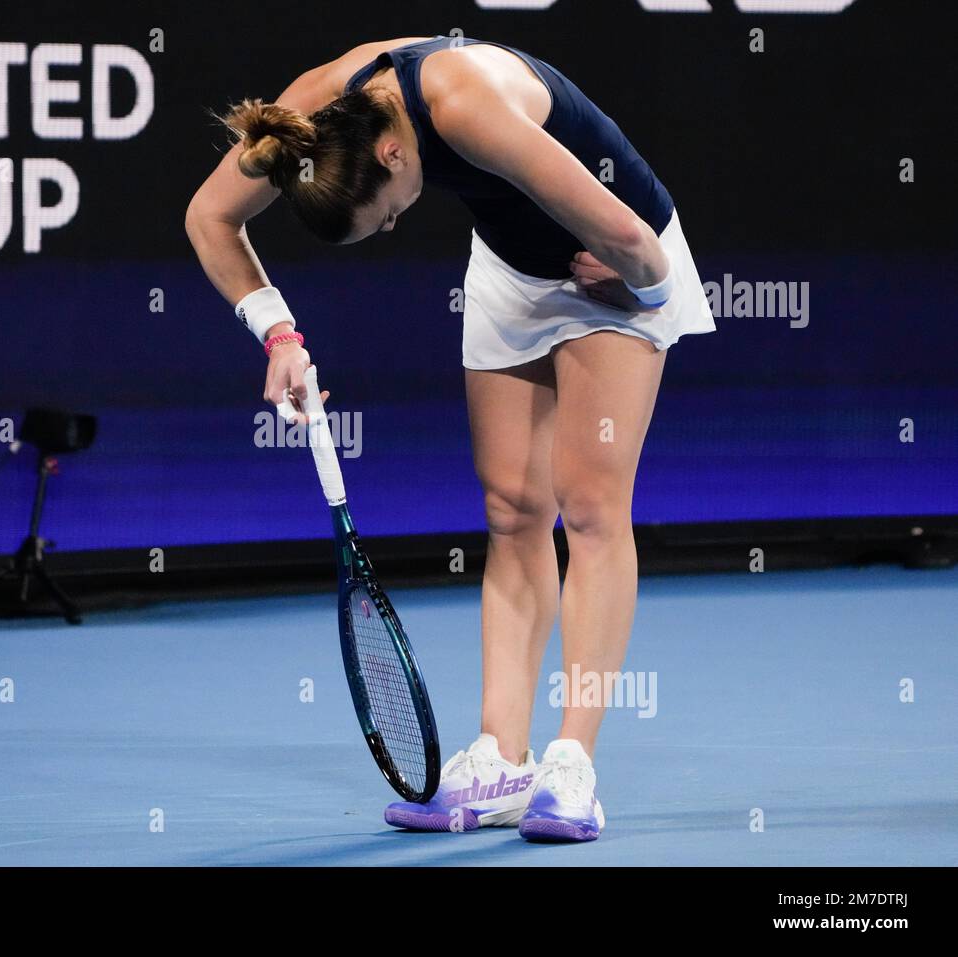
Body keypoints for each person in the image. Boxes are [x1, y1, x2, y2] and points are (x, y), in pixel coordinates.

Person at [185, 35, 715, 841]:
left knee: (591, 504)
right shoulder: (310, 115)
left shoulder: (462, 107)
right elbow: (209, 216)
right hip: (512, 268)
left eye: (390, 213)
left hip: (620, 257)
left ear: (394, 151)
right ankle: (503, 757)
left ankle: (572, 761)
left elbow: (641, 247)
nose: (396, 225)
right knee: (510, 509)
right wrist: (279, 335)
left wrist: (645, 284)